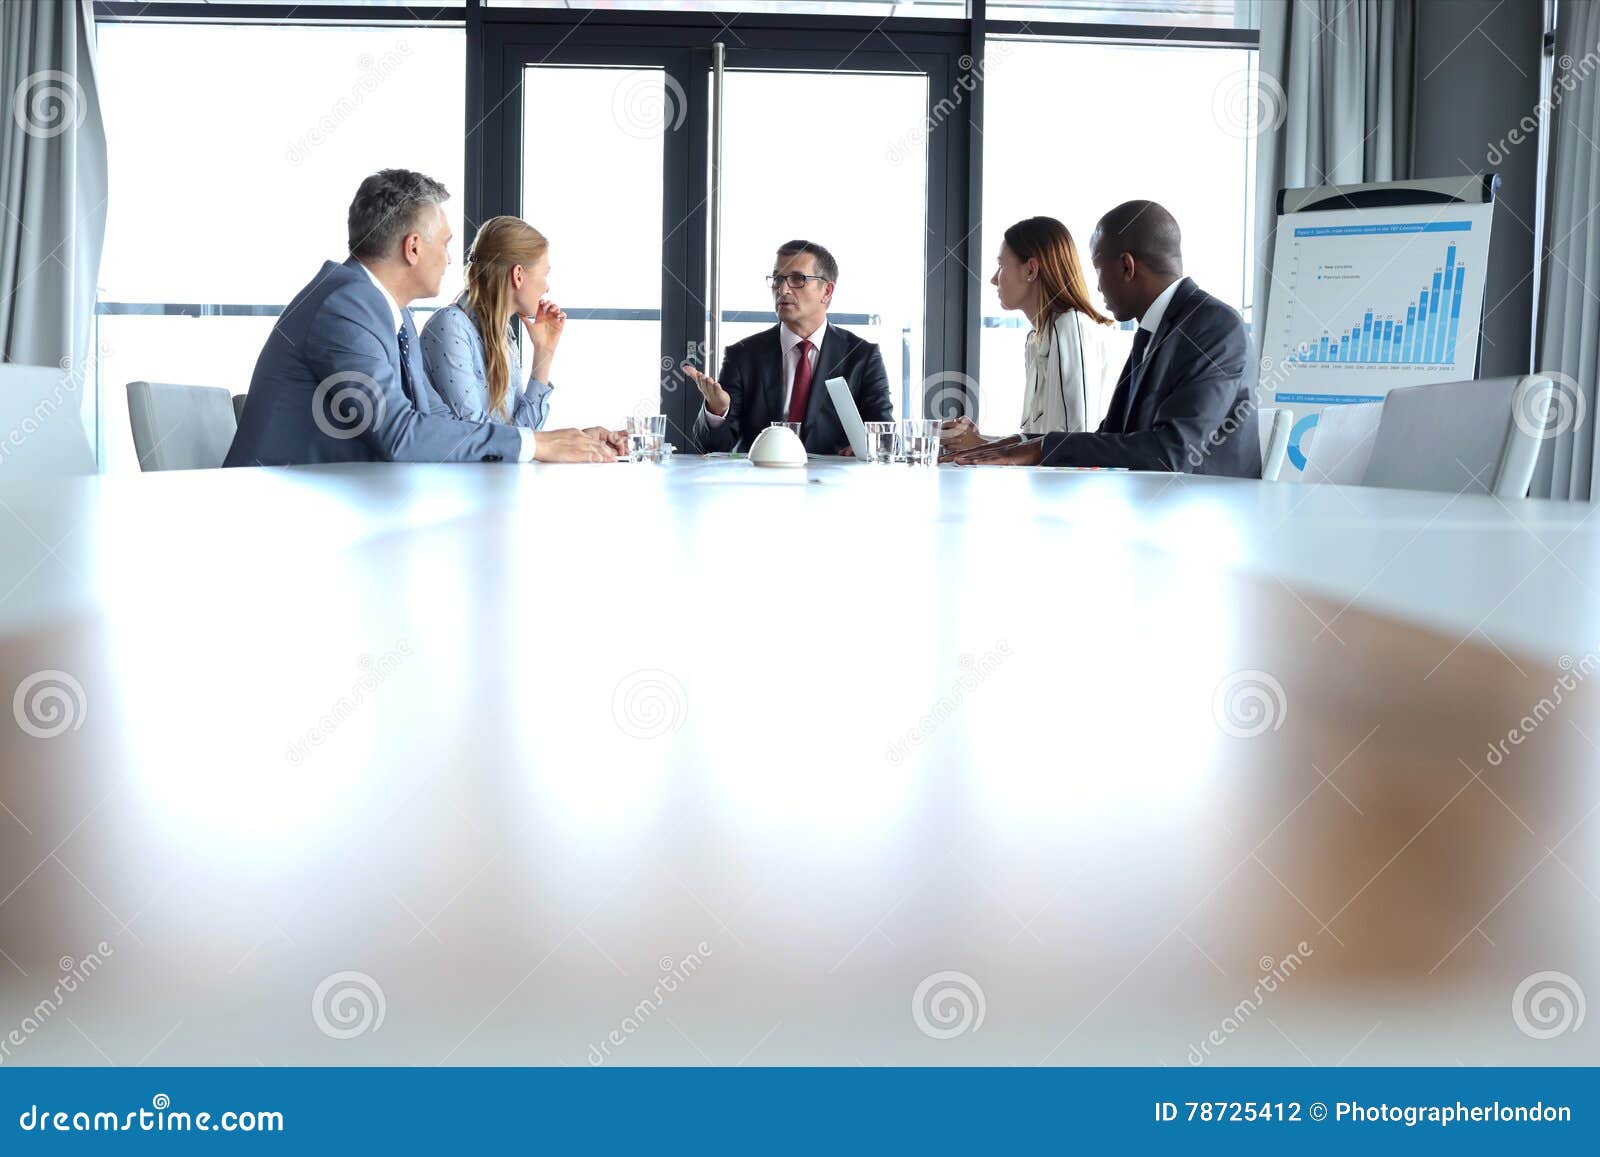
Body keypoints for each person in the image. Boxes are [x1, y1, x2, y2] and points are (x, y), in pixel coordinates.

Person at [225, 170, 618, 467]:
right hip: (276, 517)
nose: (451, 259)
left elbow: (436, 417)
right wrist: (538, 445)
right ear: (413, 248)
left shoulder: (391, 314)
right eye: (445, 244)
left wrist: (558, 440)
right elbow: (400, 435)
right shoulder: (345, 306)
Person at [952, 200, 1260, 478]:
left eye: (1098, 268)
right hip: (1151, 506)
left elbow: (1172, 451)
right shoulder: (1153, 330)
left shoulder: (1214, 326)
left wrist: (1042, 448)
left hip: (1204, 517)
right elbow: (1111, 434)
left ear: (1127, 267)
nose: (1096, 286)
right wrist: (1020, 443)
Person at [421, 216, 616, 449]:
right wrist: (562, 441)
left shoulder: (502, 332)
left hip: (493, 480)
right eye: (545, 274)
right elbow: (477, 437)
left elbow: (518, 436)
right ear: (518, 275)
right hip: (459, 482)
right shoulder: (450, 326)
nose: (547, 286)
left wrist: (544, 351)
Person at [682, 240, 893, 454]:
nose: (783, 289)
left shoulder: (862, 357)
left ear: (827, 291)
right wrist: (717, 411)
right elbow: (711, 448)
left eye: (797, 279)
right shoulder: (743, 355)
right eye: (777, 279)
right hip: (760, 481)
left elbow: (886, 438)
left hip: (832, 484)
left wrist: (867, 446)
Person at [942, 216, 1118, 454]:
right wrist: (978, 439)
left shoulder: (1070, 327)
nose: (994, 279)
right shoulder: (1037, 339)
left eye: (1001, 265)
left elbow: (1075, 443)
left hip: (1071, 488)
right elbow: (1043, 438)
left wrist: (981, 445)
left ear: (1031, 269)